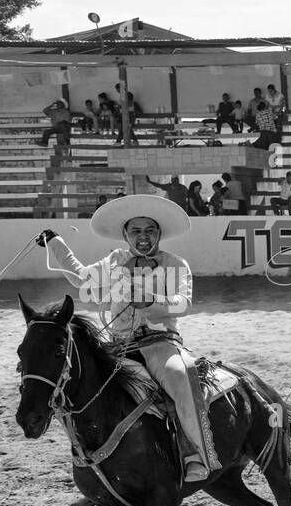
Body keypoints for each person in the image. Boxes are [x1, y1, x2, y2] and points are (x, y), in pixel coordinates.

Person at [36, 194, 216, 486]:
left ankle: (195, 455)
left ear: (158, 233)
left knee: (180, 377)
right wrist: (56, 244)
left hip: (159, 343)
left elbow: (184, 303)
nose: (143, 237)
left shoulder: (175, 263)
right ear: (125, 235)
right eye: (136, 231)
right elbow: (82, 279)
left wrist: (151, 300)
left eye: (149, 231)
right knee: (79, 388)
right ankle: (93, 470)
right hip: (117, 346)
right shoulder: (115, 261)